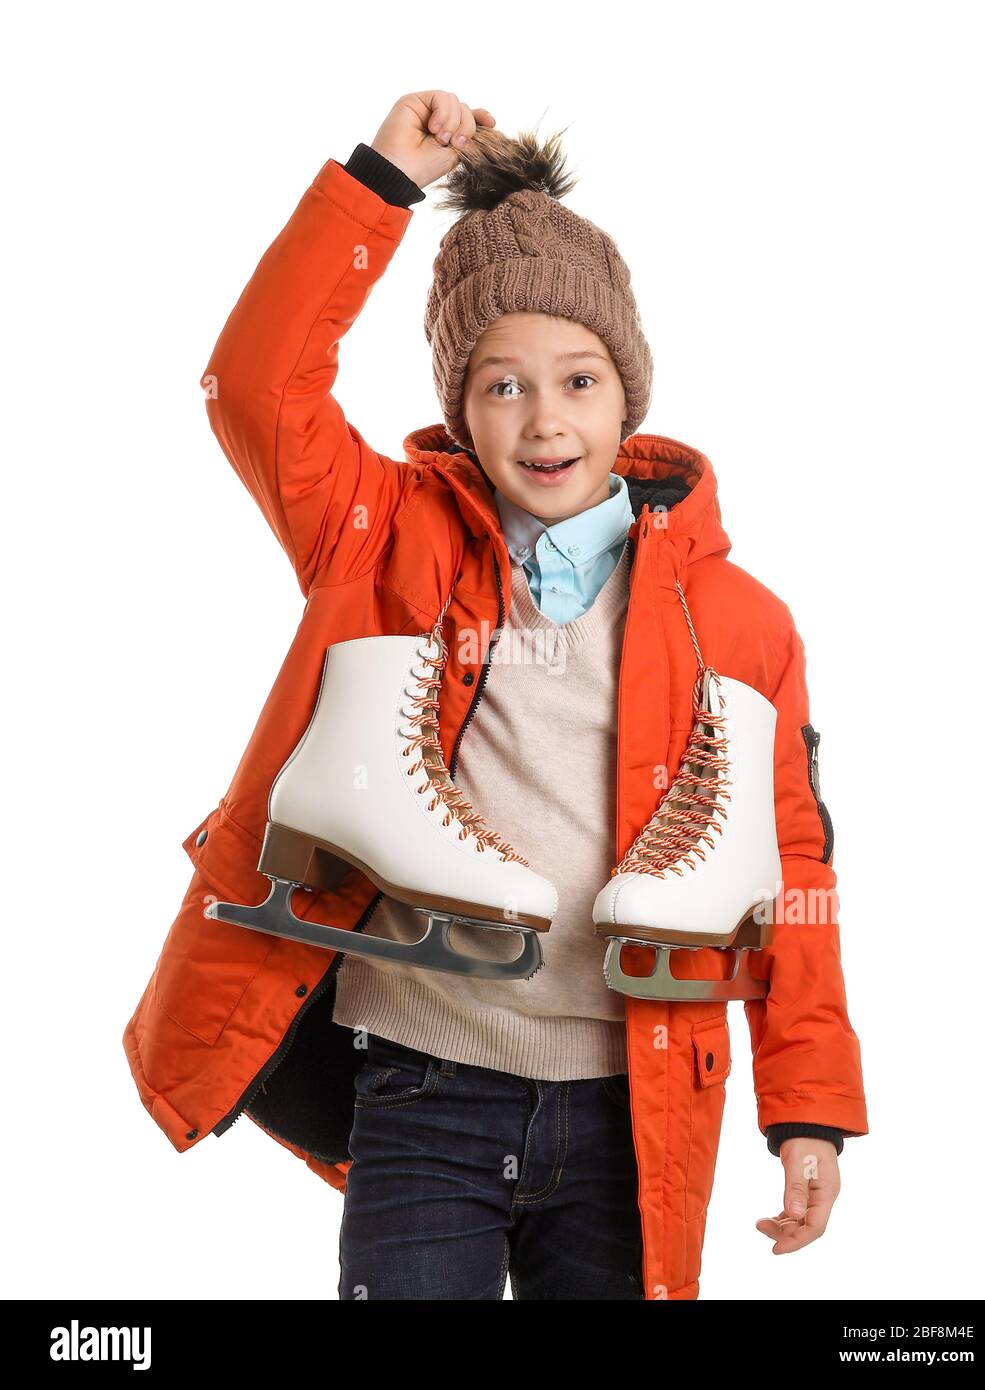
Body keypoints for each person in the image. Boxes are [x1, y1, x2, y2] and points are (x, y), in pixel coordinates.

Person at [124, 90, 868, 1301]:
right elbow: (254, 389)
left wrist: (811, 1104)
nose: (544, 420)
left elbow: (795, 869)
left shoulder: (742, 621)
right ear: (460, 411)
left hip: (635, 1096)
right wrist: (378, 184)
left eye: (577, 380)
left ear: (629, 398)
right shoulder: (377, 536)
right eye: (501, 386)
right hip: (423, 1080)